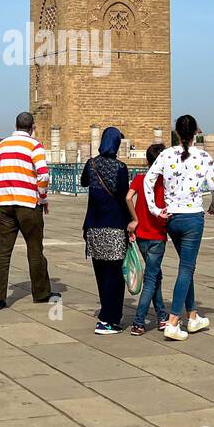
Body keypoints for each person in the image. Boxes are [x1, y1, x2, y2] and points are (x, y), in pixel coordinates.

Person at [145, 114, 214, 342]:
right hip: (192, 219)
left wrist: (156, 209)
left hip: (172, 218)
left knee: (186, 267)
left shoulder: (166, 155)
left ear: (176, 132)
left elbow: (149, 181)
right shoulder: (204, 156)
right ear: (195, 132)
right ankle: (174, 321)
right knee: (186, 268)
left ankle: (194, 316)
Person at [0, 112, 57, 309]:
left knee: (2, 251)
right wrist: (41, 198)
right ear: (32, 127)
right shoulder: (34, 145)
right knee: (35, 250)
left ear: (15, 125)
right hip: (28, 204)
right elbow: (43, 175)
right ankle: (41, 293)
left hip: (3, 204)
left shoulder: (1, 146)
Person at [81, 127, 130, 334]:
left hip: (93, 226)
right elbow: (124, 195)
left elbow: (83, 182)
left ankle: (105, 313)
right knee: (115, 276)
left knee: (101, 273)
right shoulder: (120, 167)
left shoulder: (91, 164)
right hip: (114, 227)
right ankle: (110, 319)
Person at [128, 142, 169, 335]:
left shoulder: (139, 178)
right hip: (158, 236)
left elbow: (128, 198)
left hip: (141, 235)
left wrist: (134, 219)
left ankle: (162, 317)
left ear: (147, 160)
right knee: (151, 279)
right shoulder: (165, 182)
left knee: (155, 276)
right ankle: (139, 322)